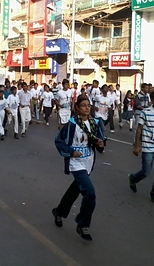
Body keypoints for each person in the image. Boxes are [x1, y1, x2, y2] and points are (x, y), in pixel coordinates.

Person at [52, 95, 104, 241]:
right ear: (77, 108)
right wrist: (70, 151)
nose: (87, 108)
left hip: (88, 161)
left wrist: (100, 144)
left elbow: (99, 140)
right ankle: (82, 224)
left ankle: (59, 211)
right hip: (76, 163)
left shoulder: (95, 123)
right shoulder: (71, 125)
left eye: (89, 105)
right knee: (90, 193)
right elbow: (59, 141)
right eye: (83, 105)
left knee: (75, 189)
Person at [128, 90, 154, 206]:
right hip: (147, 147)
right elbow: (139, 128)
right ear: (151, 100)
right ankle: (133, 178)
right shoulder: (145, 112)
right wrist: (136, 146)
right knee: (146, 172)